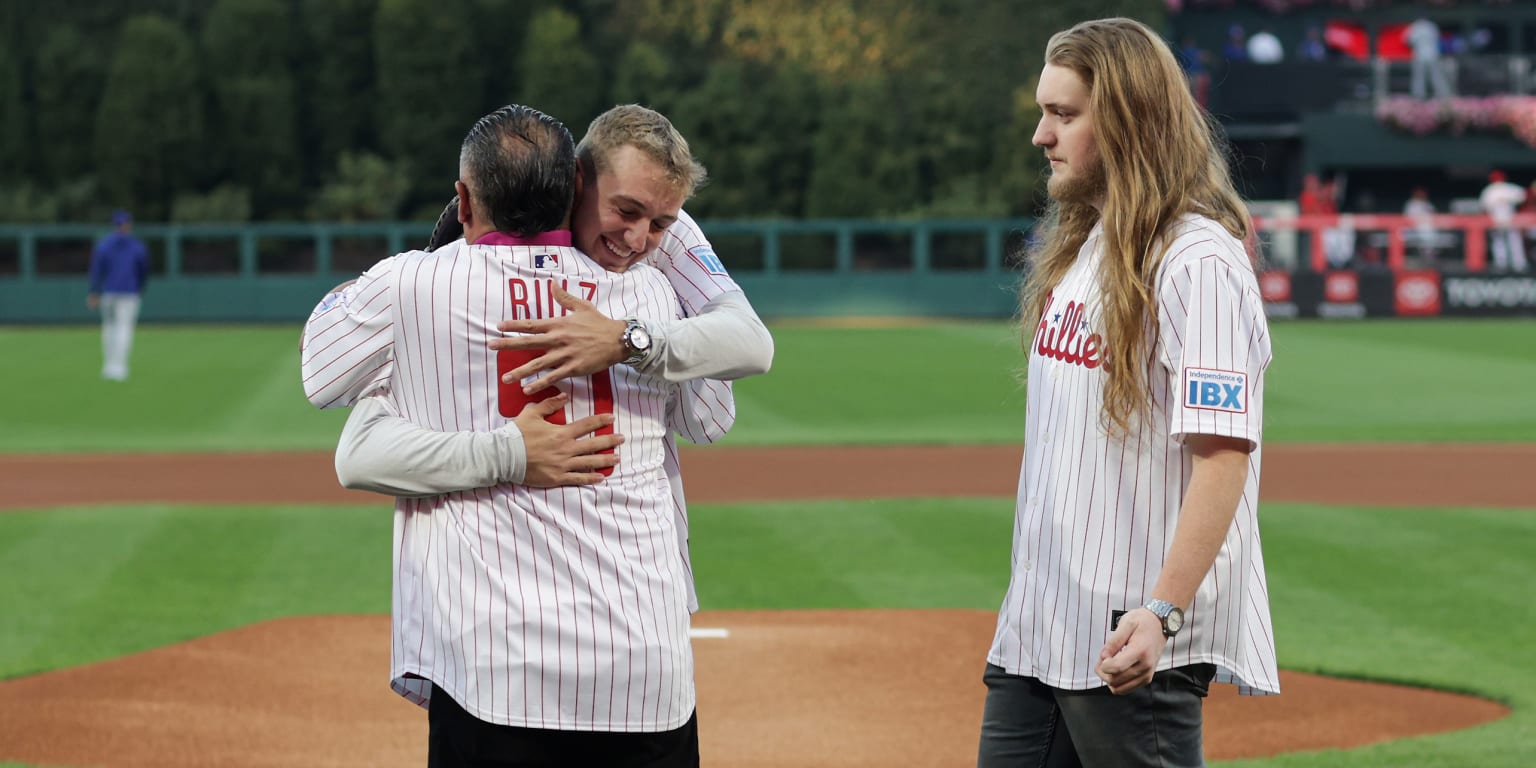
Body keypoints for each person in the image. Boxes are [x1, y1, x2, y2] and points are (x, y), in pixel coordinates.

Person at [300, 104, 720, 767]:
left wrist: (441, 241)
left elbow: (320, 376)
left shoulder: (412, 285)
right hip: (645, 674)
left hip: (496, 673)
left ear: (464, 199)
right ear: (574, 190)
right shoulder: (652, 298)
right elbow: (713, 417)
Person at [325, 103, 771, 619]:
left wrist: (626, 339)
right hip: (552, 578)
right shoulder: (630, 274)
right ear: (574, 182)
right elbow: (713, 414)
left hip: (615, 566)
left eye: (660, 223)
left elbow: (749, 348)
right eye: (625, 211)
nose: (638, 239)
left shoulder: (658, 248)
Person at [978, 18, 1279, 768]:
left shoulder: (1197, 261)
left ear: (1129, 120)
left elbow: (1222, 458)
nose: (1042, 135)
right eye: (1044, 112)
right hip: (1040, 625)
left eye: (1065, 114)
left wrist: (1163, 612)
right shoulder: (1089, 247)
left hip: (1132, 635)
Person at [87, 209, 150, 381]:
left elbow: (96, 270)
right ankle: (120, 367)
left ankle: (109, 366)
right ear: (129, 225)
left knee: (109, 329)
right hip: (129, 293)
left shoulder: (104, 244)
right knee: (123, 329)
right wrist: (141, 287)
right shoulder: (137, 246)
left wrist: (93, 291)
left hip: (109, 292)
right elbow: (143, 270)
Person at [1479, 170, 1528, 271]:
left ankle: (1519, 264)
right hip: (1496, 218)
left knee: (1514, 240)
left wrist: (1507, 199)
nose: (1498, 182)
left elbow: (1523, 195)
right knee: (1498, 241)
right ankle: (1501, 264)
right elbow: (1484, 205)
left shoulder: (1509, 188)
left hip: (1511, 218)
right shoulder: (1489, 190)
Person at [1406, 17, 1453, 100]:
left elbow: (1408, 41)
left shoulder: (1415, 26)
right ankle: (1443, 96)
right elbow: (1437, 38)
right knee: (1436, 76)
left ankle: (1418, 98)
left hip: (1420, 56)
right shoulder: (1431, 26)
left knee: (1420, 77)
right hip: (1432, 55)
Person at [1403, 186, 1438, 263]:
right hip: (1411, 230)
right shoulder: (1411, 204)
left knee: (1428, 231)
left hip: (1426, 230)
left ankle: (1429, 258)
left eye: (1422, 193)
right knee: (1425, 230)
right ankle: (1427, 256)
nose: (1421, 195)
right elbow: (1409, 220)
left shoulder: (1428, 205)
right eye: (1419, 193)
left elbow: (1434, 218)